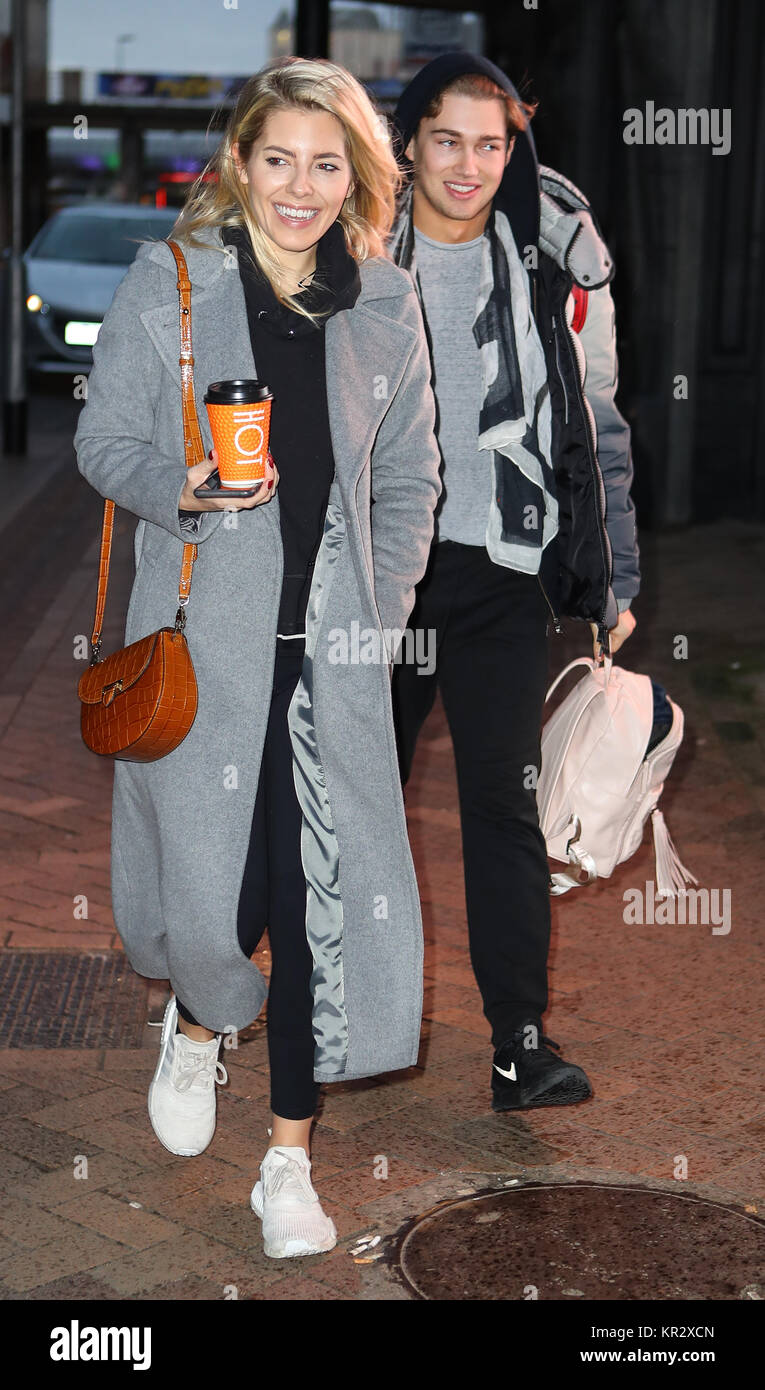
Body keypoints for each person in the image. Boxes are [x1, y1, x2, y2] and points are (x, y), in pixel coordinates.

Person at [74, 56, 441, 1259]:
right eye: (278, 159)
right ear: (240, 164)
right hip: (202, 651)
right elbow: (103, 437)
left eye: (326, 164)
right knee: (217, 895)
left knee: (310, 894)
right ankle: (195, 1015)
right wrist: (173, 485)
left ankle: (288, 1160)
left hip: (327, 665)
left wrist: (373, 620)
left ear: (357, 177)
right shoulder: (172, 283)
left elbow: (406, 483)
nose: (300, 185)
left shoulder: (383, 303)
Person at [388, 53, 640, 1113]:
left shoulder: (549, 245)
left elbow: (599, 422)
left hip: (501, 565)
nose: (469, 164)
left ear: (515, 143)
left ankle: (518, 1043)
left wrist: (612, 573)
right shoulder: (356, 236)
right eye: (446, 139)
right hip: (380, 574)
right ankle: (299, 1000)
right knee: (348, 798)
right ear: (409, 143)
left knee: (504, 801)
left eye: (490, 143)